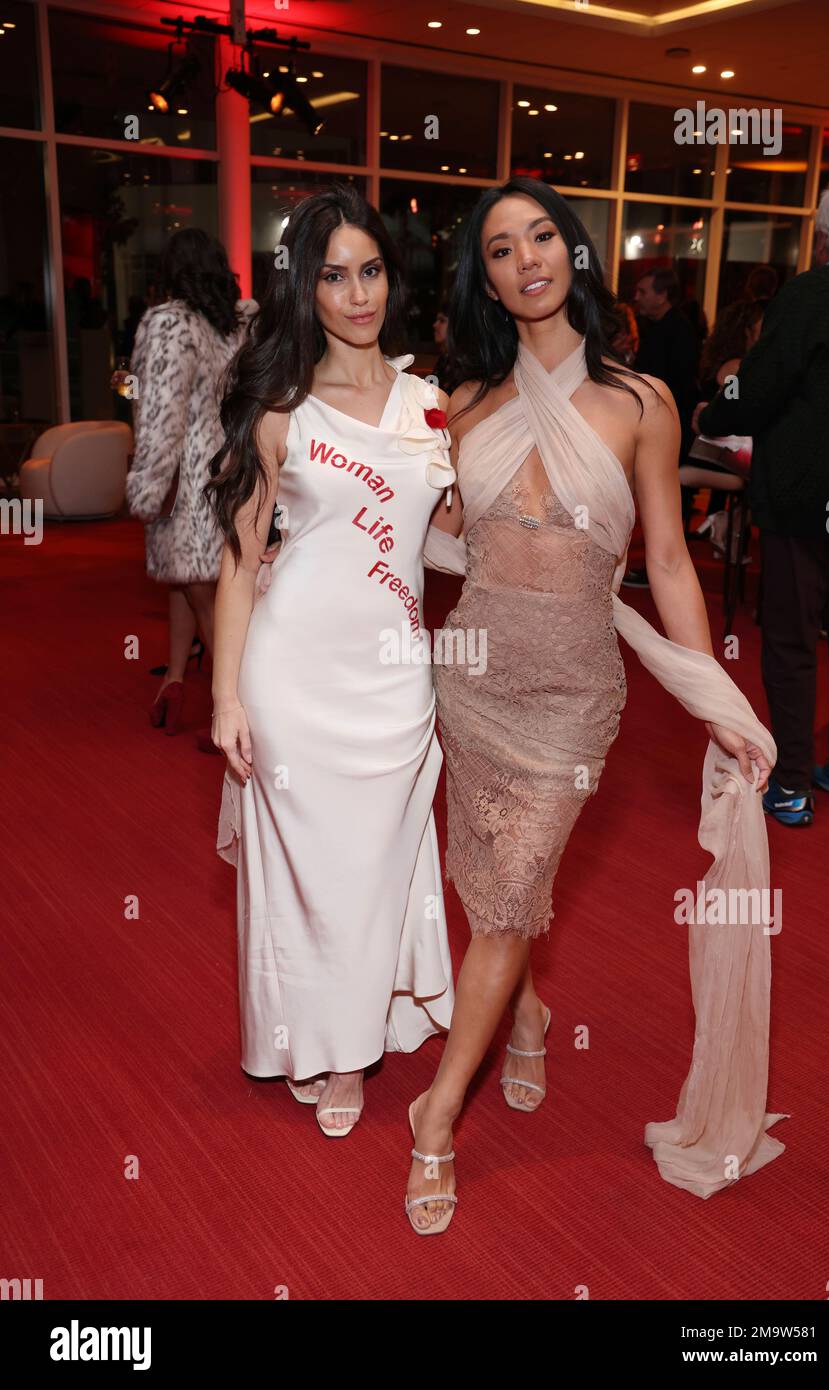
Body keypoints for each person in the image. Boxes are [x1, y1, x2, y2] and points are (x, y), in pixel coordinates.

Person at [411, 176, 779, 1233]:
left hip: (574, 696)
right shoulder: (468, 398)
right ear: (481, 276)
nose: (524, 259)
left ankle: (437, 1120)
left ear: (574, 251)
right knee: (491, 893)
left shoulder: (642, 403)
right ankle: (524, 1011)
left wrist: (712, 693)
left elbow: (666, 559)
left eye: (541, 237)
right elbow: (434, 536)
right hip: (469, 677)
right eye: (497, 249)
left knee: (515, 882)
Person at [207, 185, 456, 1137]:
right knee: (307, 876)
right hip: (293, 675)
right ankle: (336, 1052)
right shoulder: (279, 405)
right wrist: (226, 696)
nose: (358, 295)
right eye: (333, 276)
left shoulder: (430, 405)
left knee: (372, 869)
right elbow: (238, 557)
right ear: (303, 289)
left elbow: (451, 537)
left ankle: (353, 1028)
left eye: (372, 271)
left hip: (395, 673)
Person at [697, 177, 829, 827]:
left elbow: (759, 388)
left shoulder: (809, 295)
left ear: (822, 236)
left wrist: (712, 414)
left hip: (804, 497)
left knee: (793, 639)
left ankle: (792, 782)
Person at [126, 229, 256, 739]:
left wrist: (146, 486)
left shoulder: (170, 325)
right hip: (232, 470)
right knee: (187, 582)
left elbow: (162, 417)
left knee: (206, 596)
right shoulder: (236, 323)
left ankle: (237, 706)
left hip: (188, 482)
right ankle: (176, 681)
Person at [623, 268, 700, 585]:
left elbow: (675, 384)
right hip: (659, 421)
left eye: (643, 291)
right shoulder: (656, 327)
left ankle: (663, 565)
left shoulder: (678, 331)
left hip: (671, 425)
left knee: (667, 495)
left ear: (662, 294)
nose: (637, 297)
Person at [687, 297, 766, 555]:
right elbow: (731, 417)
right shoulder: (736, 366)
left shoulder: (729, 362)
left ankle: (730, 521)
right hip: (711, 451)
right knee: (775, 476)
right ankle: (731, 522)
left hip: (713, 447)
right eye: (762, 327)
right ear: (747, 331)